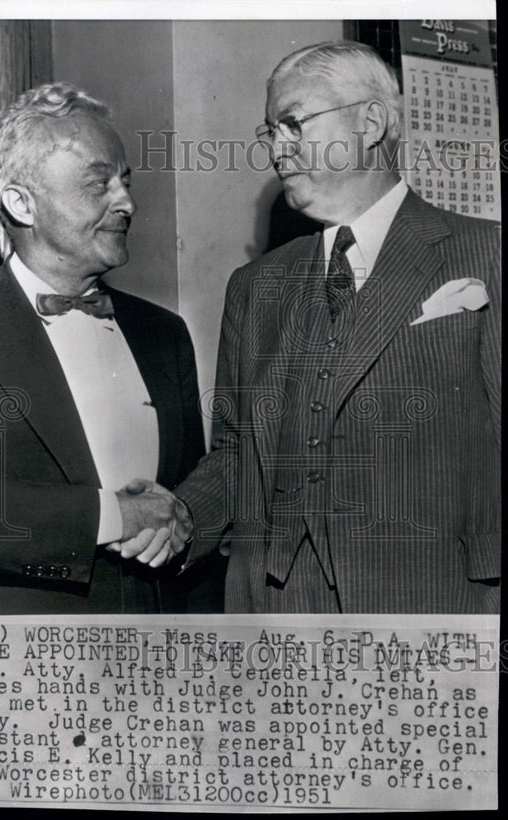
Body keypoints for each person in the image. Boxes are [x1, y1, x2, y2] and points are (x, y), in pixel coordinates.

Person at [162, 41, 500, 613]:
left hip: (437, 607)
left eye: (292, 123)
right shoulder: (254, 285)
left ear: (369, 122)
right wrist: (178, 516)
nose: (277, 149)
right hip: (276, 615)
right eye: (270, 132)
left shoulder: (486, 252)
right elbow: (237, 453)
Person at [0, 81, 205, 615]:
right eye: (99, 184)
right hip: (16, 667)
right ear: (22, 203)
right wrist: (112, 517)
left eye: (125, 181)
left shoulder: (165, 334)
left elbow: (185, 503)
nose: (127, 202)